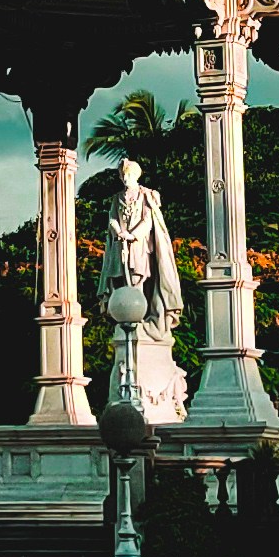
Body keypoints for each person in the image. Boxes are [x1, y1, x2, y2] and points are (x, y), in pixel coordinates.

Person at [100, 158, 190, 417]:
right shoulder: (118, 198)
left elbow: (149, 222)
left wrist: (133, 235)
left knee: (139, 280)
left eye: (128, 175)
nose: (125, 178)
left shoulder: (146, 196)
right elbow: (112, 219)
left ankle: (138, 319)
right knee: (123, 281)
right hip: (121, 246)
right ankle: (129, 322)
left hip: (139, 245)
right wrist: (119, 232)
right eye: (122, 175)